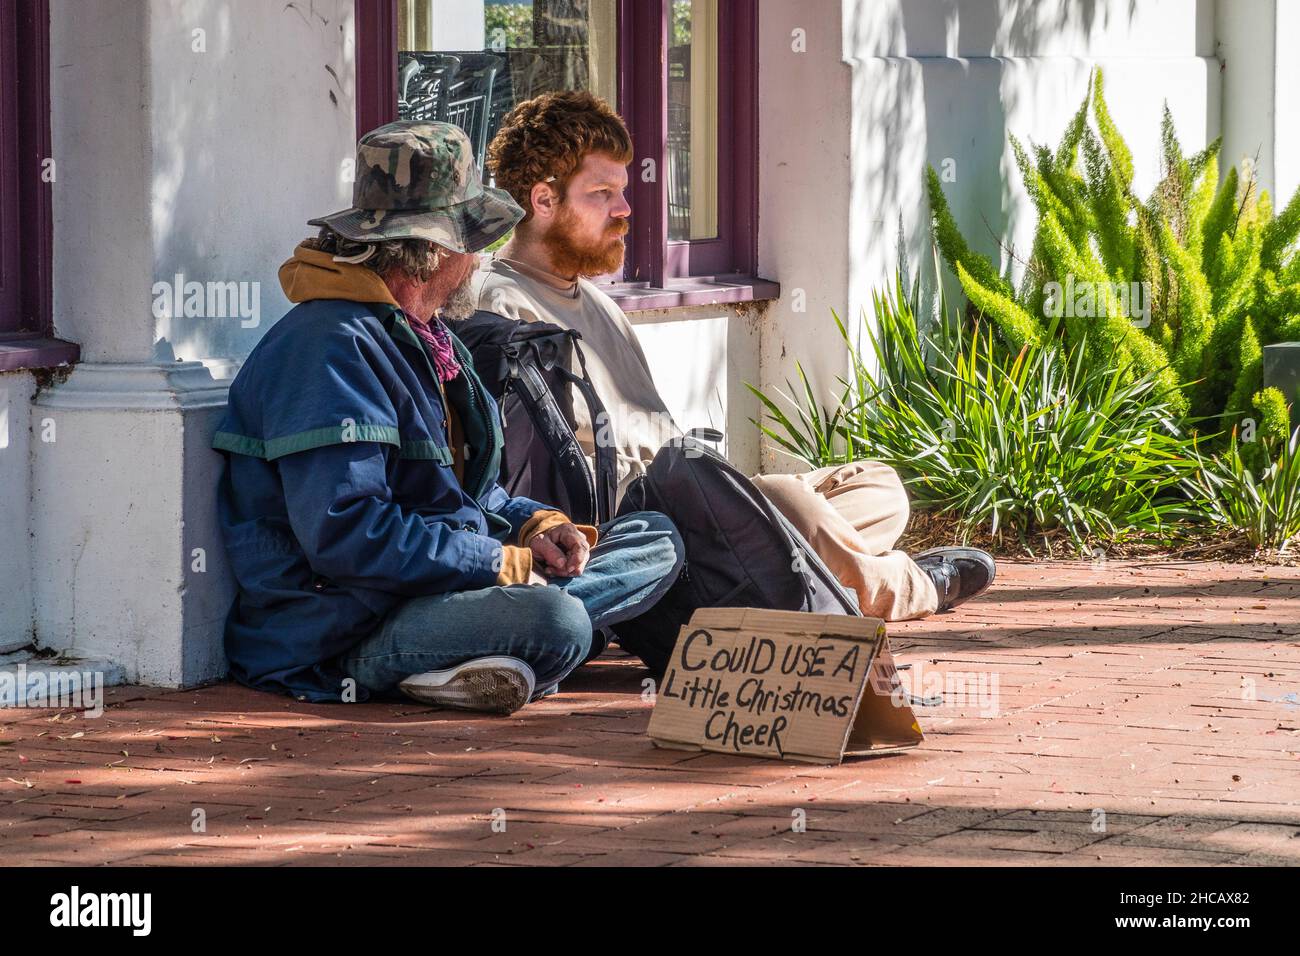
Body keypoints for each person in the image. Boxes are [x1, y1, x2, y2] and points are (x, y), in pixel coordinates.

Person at [211, 122, 683, 716]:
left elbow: (470, 495)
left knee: (655, 539)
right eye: (473, 241)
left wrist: (537, 525)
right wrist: (496, 564)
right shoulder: (327, 348)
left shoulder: (423, 336)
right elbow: (348, 537)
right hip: (345, 629)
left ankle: (477, 657)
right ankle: (474, 651)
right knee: (556, 618)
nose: (480, 258)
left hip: (436, 585)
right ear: (432, 251)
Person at [476, 91, 994, 622]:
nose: (625, 209)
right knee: (785, 505)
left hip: (698, 491)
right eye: (602, 193)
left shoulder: (599, 304)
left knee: (878, 486)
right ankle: (901, 586)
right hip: (640, 523)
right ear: (543, 201)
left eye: (623, 191)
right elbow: (543, 466)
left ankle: (794, 557)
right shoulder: (499, 303)